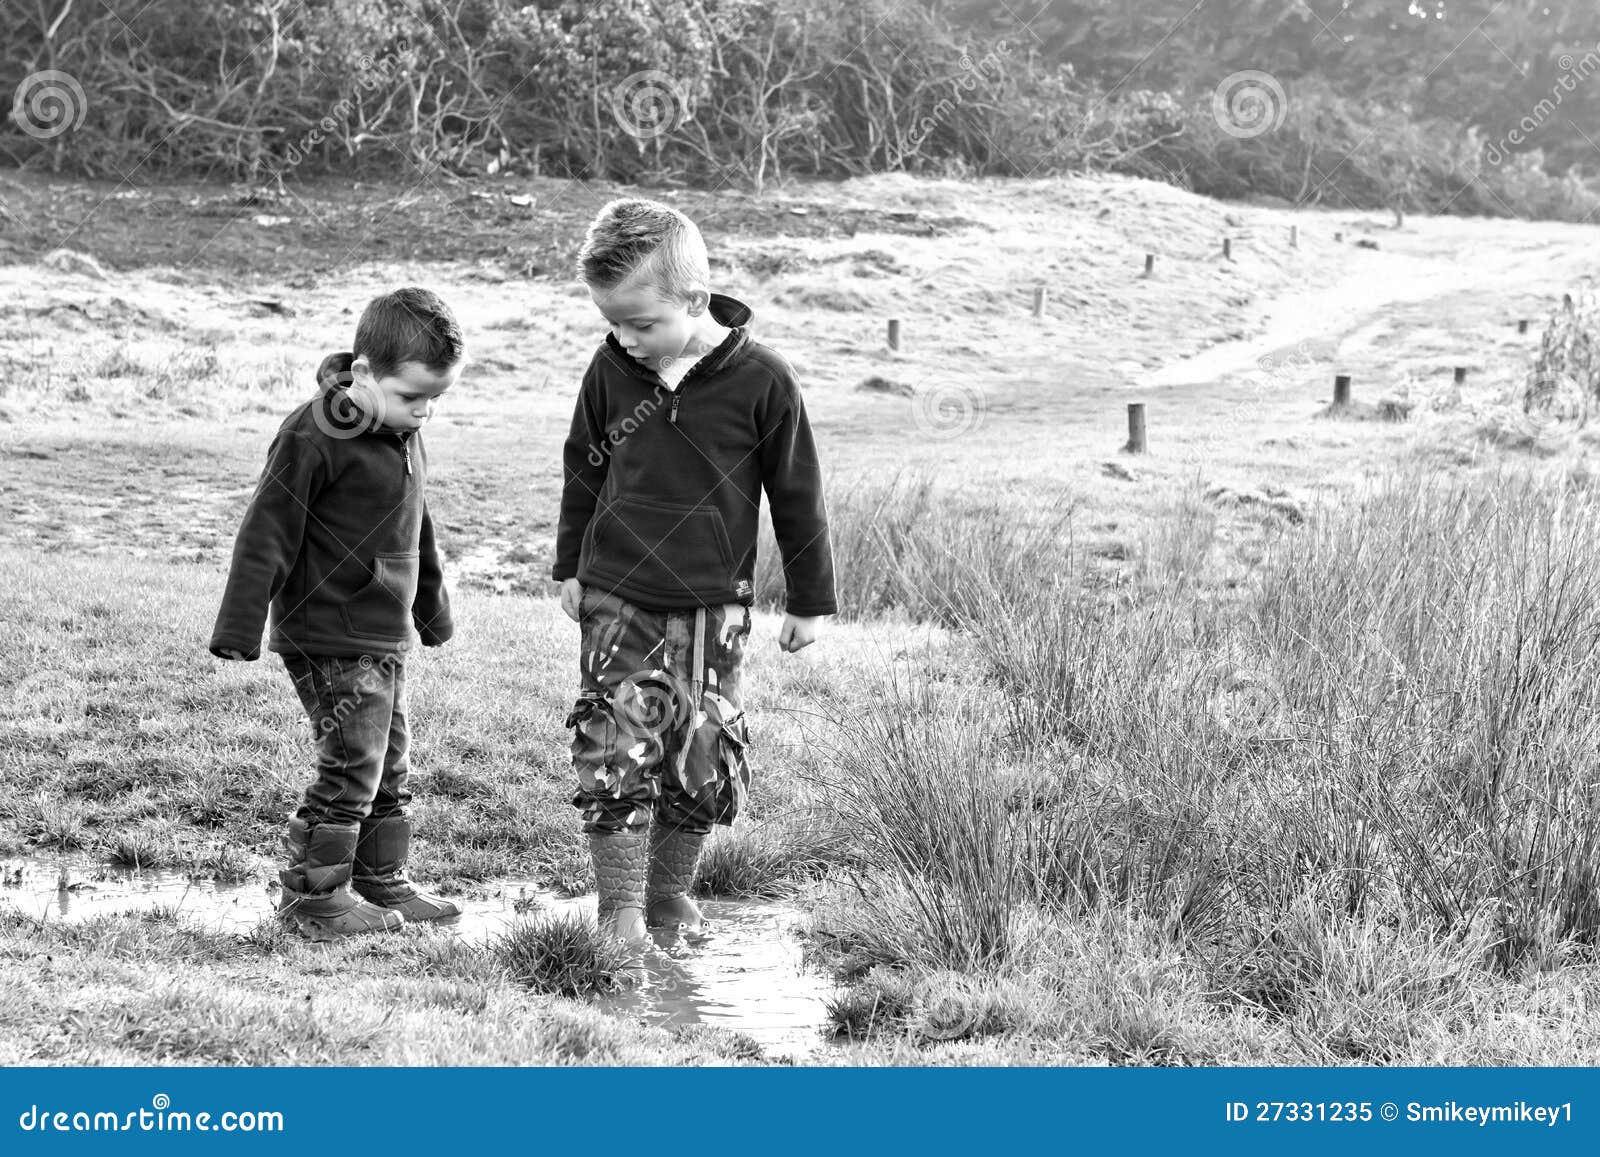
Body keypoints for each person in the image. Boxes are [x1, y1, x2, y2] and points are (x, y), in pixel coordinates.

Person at [554, 198, 836, 961]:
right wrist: (570, 562)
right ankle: (618, 913)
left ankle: (669, 890)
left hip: (717, 609)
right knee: (615, 744)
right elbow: (585, 467)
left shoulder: (763, 381)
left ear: (696, 301)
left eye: (643, 324)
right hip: (619, 595)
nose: (626, 339)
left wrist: (811, 599)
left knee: (703, 749)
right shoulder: (611, 369)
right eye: (613, 322)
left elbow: (798, 492)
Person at [209, 287, 465, 939]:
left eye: (436, 398)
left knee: (388, 761)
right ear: (361, 374)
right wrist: (240, 626)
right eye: (412, 396)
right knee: (351, 760)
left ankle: (381, 881)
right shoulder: (315, 431)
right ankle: (314, 897)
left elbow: (418, 528)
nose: (425, 411)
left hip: (383, 633)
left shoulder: (404, 436)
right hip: (326, 631)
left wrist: (432, 612)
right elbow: (267, 526)